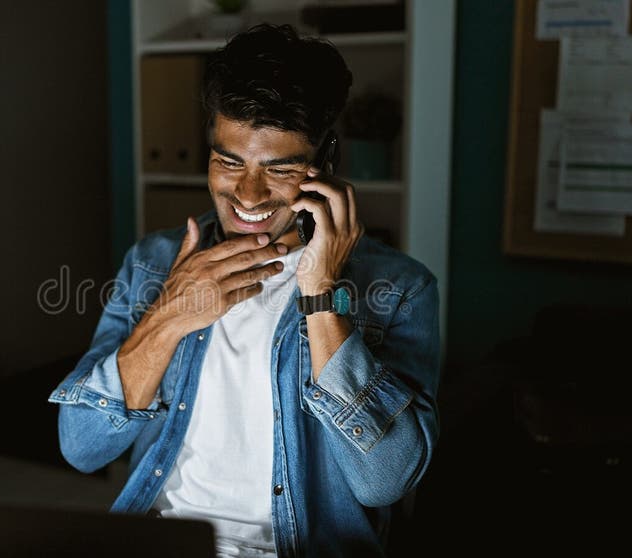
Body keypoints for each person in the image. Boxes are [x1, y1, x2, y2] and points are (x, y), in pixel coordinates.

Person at [50, 23, 440, 558]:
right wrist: (170, 315)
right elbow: (82, 447)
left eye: (278, 169)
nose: (248, 194)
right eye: (229, 161)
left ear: (325, 163)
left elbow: (384, 481)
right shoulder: (154, 262)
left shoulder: (400, 288)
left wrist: (321, 294)